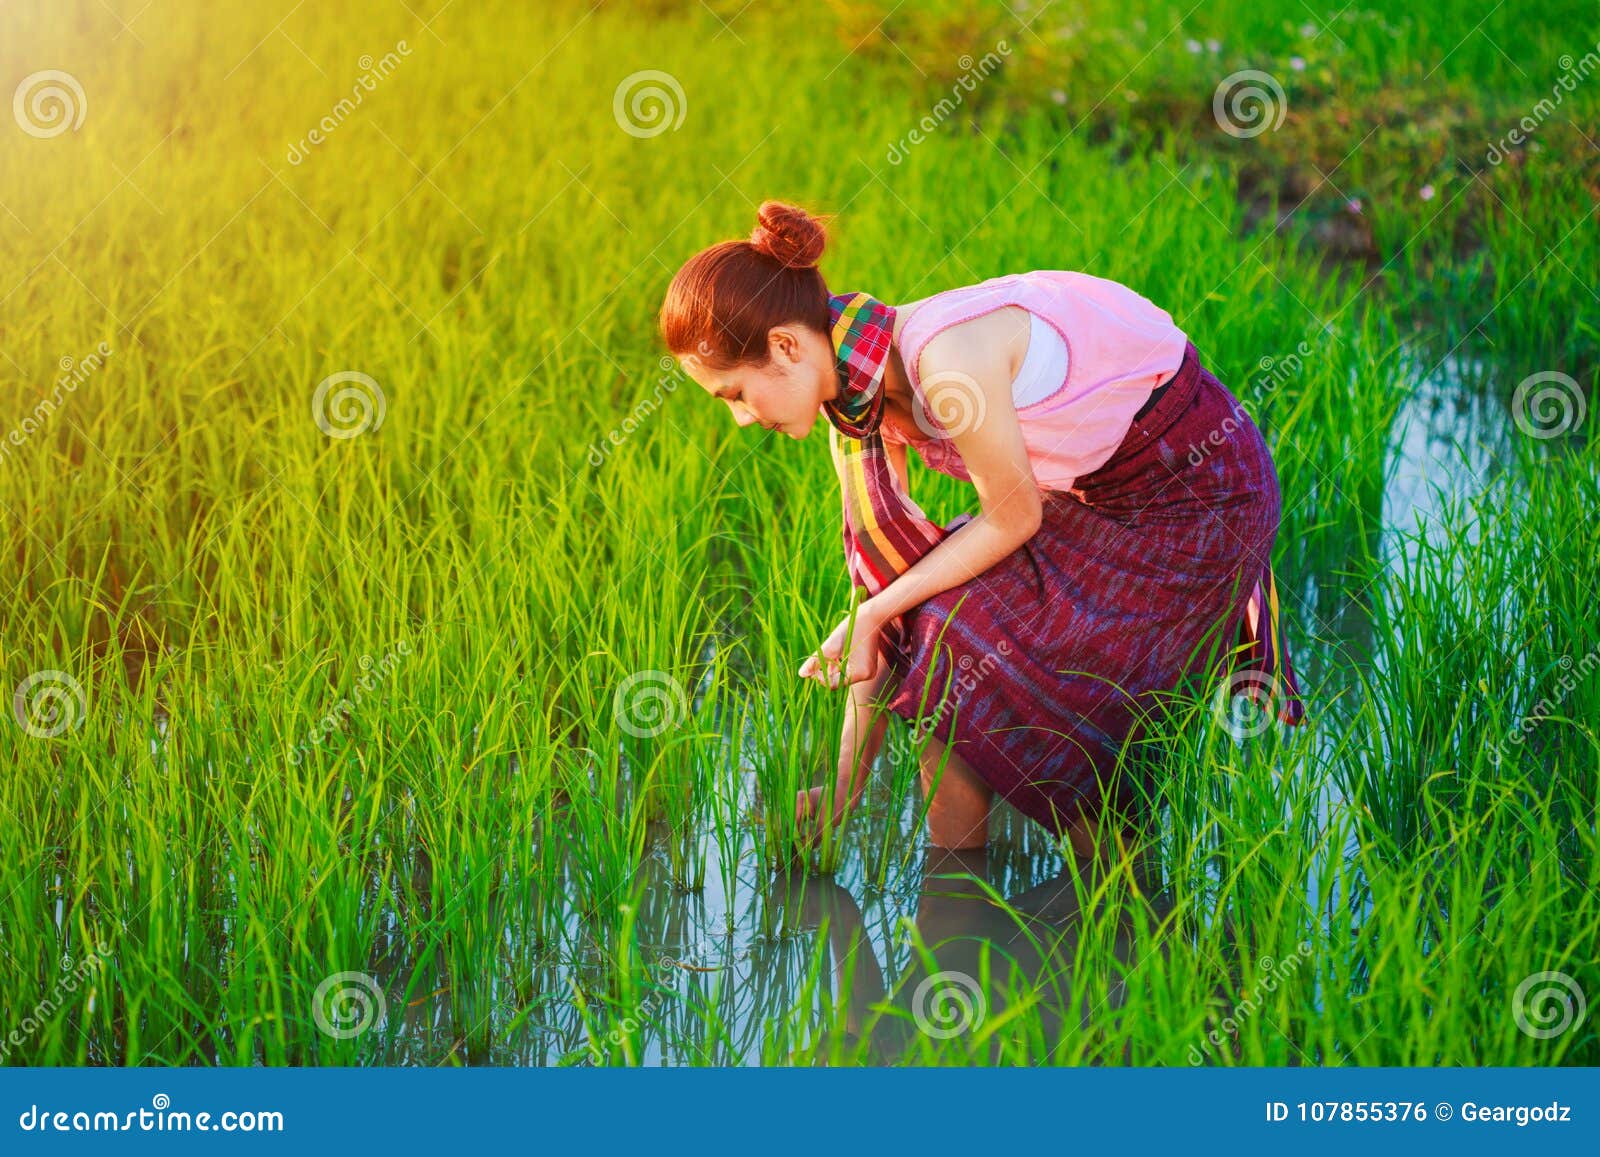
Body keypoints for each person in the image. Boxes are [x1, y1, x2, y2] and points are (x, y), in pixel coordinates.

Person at [658, 200, 1302, 855]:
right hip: (1098, 493)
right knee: (941, 636)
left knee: (981, 648)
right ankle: (958, 899)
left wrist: (882, 610)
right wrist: (846, 777)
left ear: (786, 346)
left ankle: (1118, 887)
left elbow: (1012, 516)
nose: (741, 419)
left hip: (1199, 497)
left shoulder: (945, 358)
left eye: (735, 394)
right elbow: (887, 591)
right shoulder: (856, 411)